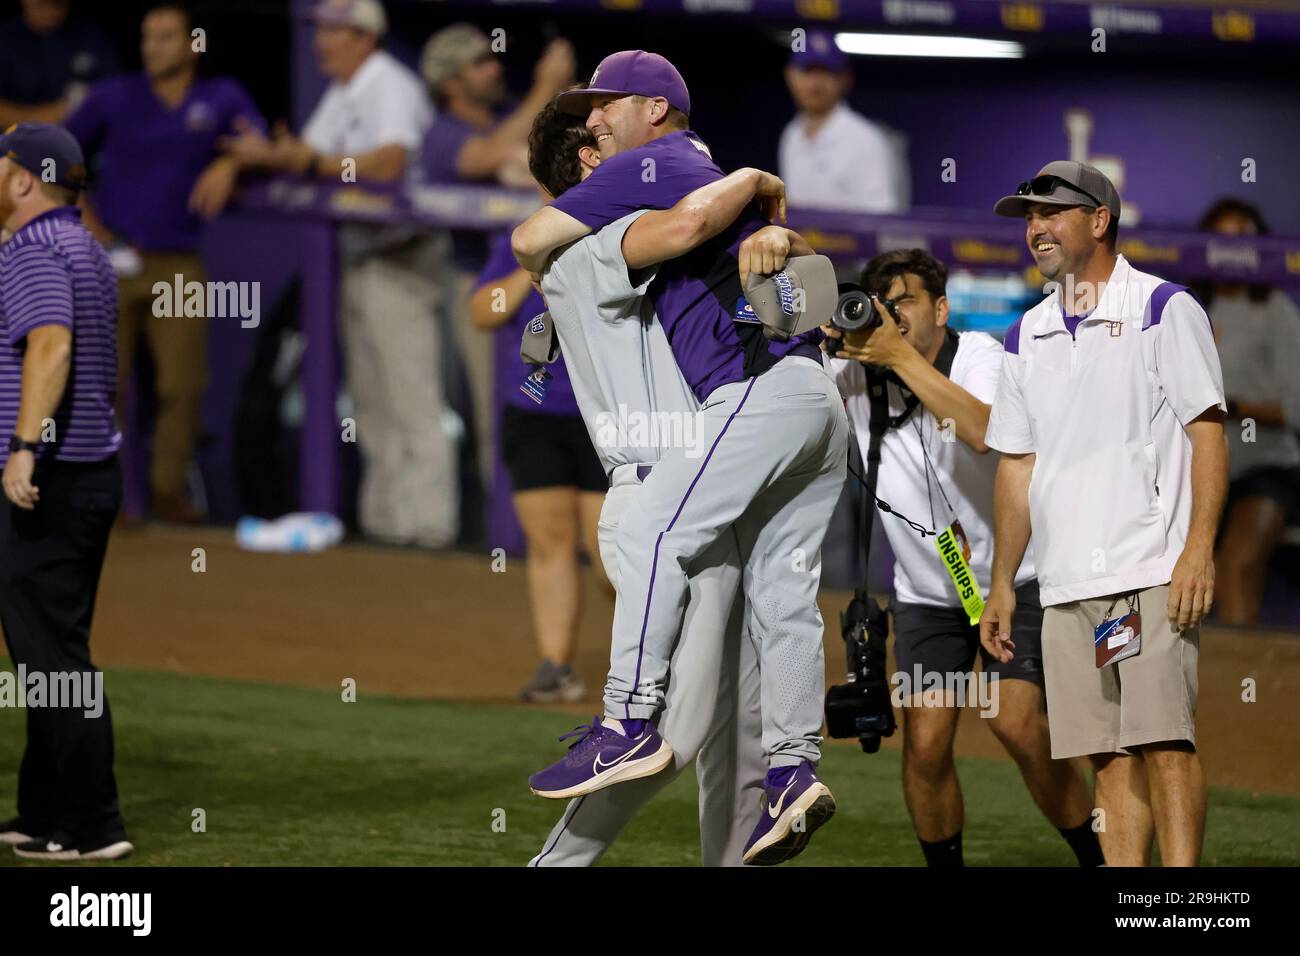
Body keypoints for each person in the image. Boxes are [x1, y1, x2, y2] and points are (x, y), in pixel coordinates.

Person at [513, 51, 848, 866]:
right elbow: (682, 226)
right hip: (689, 476)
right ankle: (587, 816)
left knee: (732, 715)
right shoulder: (596, 246)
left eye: (607, 109)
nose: (597, 125)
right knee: (695, 722)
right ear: (587, 176)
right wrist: (757, 187)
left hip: (722, 465)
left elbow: (769, 268)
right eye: (588, 130)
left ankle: (771, 767)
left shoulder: (656, 189)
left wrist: (765, 226)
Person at [981, 161, 1228, 866]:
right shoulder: (1025, 334)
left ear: (1099, 220)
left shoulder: (1161, 308)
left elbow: (1205, 432)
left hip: (1151, 569)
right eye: (1029, 217)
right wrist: (1004, 581)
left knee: (1165, 744)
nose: (1035, 229)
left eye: (1051, 213)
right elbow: (1018, 464)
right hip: (1066, 585)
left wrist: (1197, 551)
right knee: (1108, 758)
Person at [824, 249, 1101, 867]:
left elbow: (984, 429)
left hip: (1018, 578)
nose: (892, 317)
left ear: (941, 309)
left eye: (906, 303)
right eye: (881, 306)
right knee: (923, 744)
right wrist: (822, 336)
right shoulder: (853, 372)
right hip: (928, 597)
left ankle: (1096, 857)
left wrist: (896, 356)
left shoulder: (979, 355)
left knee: (1016, 723)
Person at [222, 0, 455, 547]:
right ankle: (389, 524)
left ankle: (430, 526)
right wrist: (268, 154)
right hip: (357, 259)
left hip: (402, 255)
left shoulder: (387, 83)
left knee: (411, 400)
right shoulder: (345, 89)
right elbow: (313, 152)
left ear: (362, 36)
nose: (319, 42)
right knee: (371, 402)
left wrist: (307, 163)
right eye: (319, 30)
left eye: (331, 31)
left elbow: (390, 162)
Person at [64, 0, 265, 522]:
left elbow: (263, 145)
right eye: (148, 36)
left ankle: (166, 491)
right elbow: (55, 152)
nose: (152, 47)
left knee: (182, 384)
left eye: (166, 37)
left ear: (194, 44)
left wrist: (229, 160)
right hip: (108, 258)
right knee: (102, 385)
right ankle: (98, 496)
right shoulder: (115, 94)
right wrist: (85, 216)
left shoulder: (219, 97)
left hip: (177, 263)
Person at [0, 123, 130, 860]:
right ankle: (42, 810)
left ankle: (93, 824)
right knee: (45, 652)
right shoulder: (84, 245)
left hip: (48, 479)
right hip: (87, 475)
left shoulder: (32, 249)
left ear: (22, 180)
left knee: (53, 660)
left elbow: (51, 344)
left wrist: (23, 451)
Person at [422, 24, 576, 485]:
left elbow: (538, 154)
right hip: (481, 281)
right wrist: (546, 88)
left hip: (547, 278)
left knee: (555, 395)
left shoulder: (510, 114)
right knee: (500, 402)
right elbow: (486, 159)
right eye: (479, 63)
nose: (494, 68)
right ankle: (504, 530)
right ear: (451, 82)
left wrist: (561, 99)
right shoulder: (442, 134)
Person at [468, 221, 607, 703]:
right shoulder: (523, 237)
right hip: (533, 409)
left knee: (609, 554)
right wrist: (531, 269)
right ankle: (557, 667)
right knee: (549, 543)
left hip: (604, 412)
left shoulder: (617, 230)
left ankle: (659, 663)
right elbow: (482, 311)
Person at [1193, 199, 1300, 625]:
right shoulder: (1186, 308)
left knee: (1235, 566)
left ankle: (1245, 690)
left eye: (1244, 239)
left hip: (1267, 469)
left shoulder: (1275, 310)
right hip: (1194, 471)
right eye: (1223, 239)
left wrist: (1233, 406)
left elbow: (1297, 407)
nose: (1233, 250)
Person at [778, 30, 906, 214]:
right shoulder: (791, 135)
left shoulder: (866, 140)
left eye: (825, 72)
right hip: (800, 242)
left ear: (844, 79)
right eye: (808, 71)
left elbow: (882, 220)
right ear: (790, 76)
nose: (815, 83)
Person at [0, 0, 118, 127]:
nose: (50, 9)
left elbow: (115, 93)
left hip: (82, 138)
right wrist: (44, 118)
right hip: (20, 139)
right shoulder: (5, 40)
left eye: (57, 4)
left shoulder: (92, 37)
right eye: (42, 4)